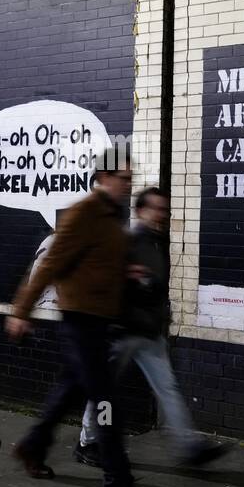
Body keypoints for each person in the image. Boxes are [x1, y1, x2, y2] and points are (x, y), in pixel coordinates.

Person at [5, 153, 156, 487]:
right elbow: (50, 265)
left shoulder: (109, 218)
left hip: (99, 323)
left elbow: (99, 264)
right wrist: (20, 312)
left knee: (67, 392)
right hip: (80, 323)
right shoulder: (83, 213)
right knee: (107, 406)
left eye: (130, 178)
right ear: (104, 177)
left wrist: (126, 271)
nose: (128, 184)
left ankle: (32, 446)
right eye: (123, 178)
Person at [74, 187, 227, 468]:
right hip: (122, 332)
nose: (161, 213)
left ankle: (189, 446)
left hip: (148, 332)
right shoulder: (128, 242)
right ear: (140, 210)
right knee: (102, 390)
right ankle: (87, 442)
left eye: (164, 209)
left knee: (168, 388)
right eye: (156, 208)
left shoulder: (157, 242)